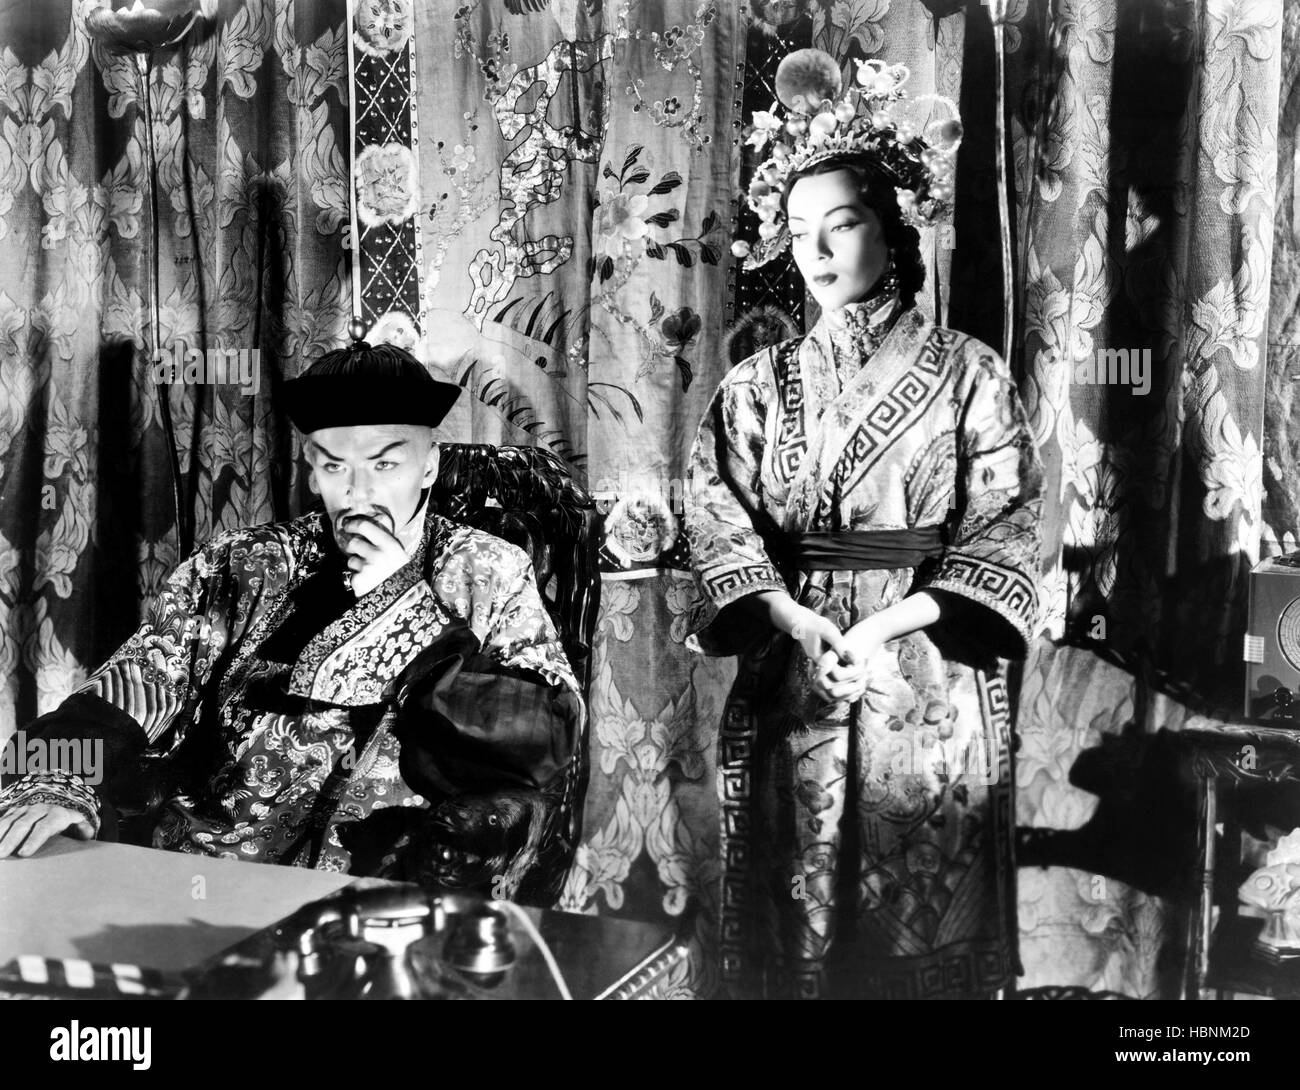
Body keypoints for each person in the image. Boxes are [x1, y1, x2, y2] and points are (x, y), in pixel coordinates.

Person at [686, 49, 1044, 999]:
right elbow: (719, 517)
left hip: (923, 662)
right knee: (794, 904)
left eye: (842, 224)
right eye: (799, 229)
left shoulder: (971, 373)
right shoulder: (755, 385)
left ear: (893, 231)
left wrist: (883, 626)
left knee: (914, 907)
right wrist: (796, 621)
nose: (817, 250)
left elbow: (1005, 524)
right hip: (796, 653)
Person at [0, 335, 582, 892]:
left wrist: (407, 604)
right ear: (310, 470)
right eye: (334, 467)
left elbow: (541, 737)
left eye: (385, 466)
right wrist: (54, 778)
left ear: (428, 468)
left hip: (390, 876)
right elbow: (137, 682)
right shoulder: (243, 563)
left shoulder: (484, 569)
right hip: (213, 864)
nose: (359, 494)